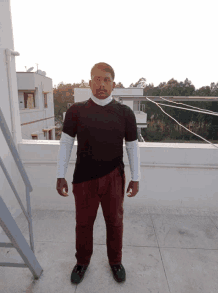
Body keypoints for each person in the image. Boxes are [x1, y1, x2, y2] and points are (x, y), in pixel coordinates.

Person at [56, 62, 141, 285]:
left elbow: (132, 146)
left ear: (113, 83)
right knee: (83, 223)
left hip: (114, 177)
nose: (101, 84)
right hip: (83, 179)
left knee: (115, 223)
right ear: (90, 81)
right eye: (96, 79)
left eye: (106, 80)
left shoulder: (125, 113)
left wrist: (136, 177)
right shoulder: (76, 111)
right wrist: (60, 175)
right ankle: (82, 262)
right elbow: (65, 144)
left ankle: (116, 261)